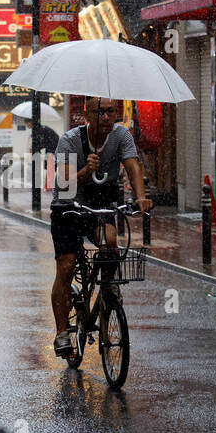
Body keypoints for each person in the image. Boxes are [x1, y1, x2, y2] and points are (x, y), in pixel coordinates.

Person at [49, 98, 153, 357]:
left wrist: (140, 197)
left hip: (100, 204)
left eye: (110, 111)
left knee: (110, 242)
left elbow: (132, 166)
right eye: (99, 112)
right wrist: (86, 170)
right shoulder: (71, 140)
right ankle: (62, 333)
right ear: (87, 113)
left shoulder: (121, 136)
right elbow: (64, 184)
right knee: (67, 265)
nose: (106, 117)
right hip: (67, 206)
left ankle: (107, 291)